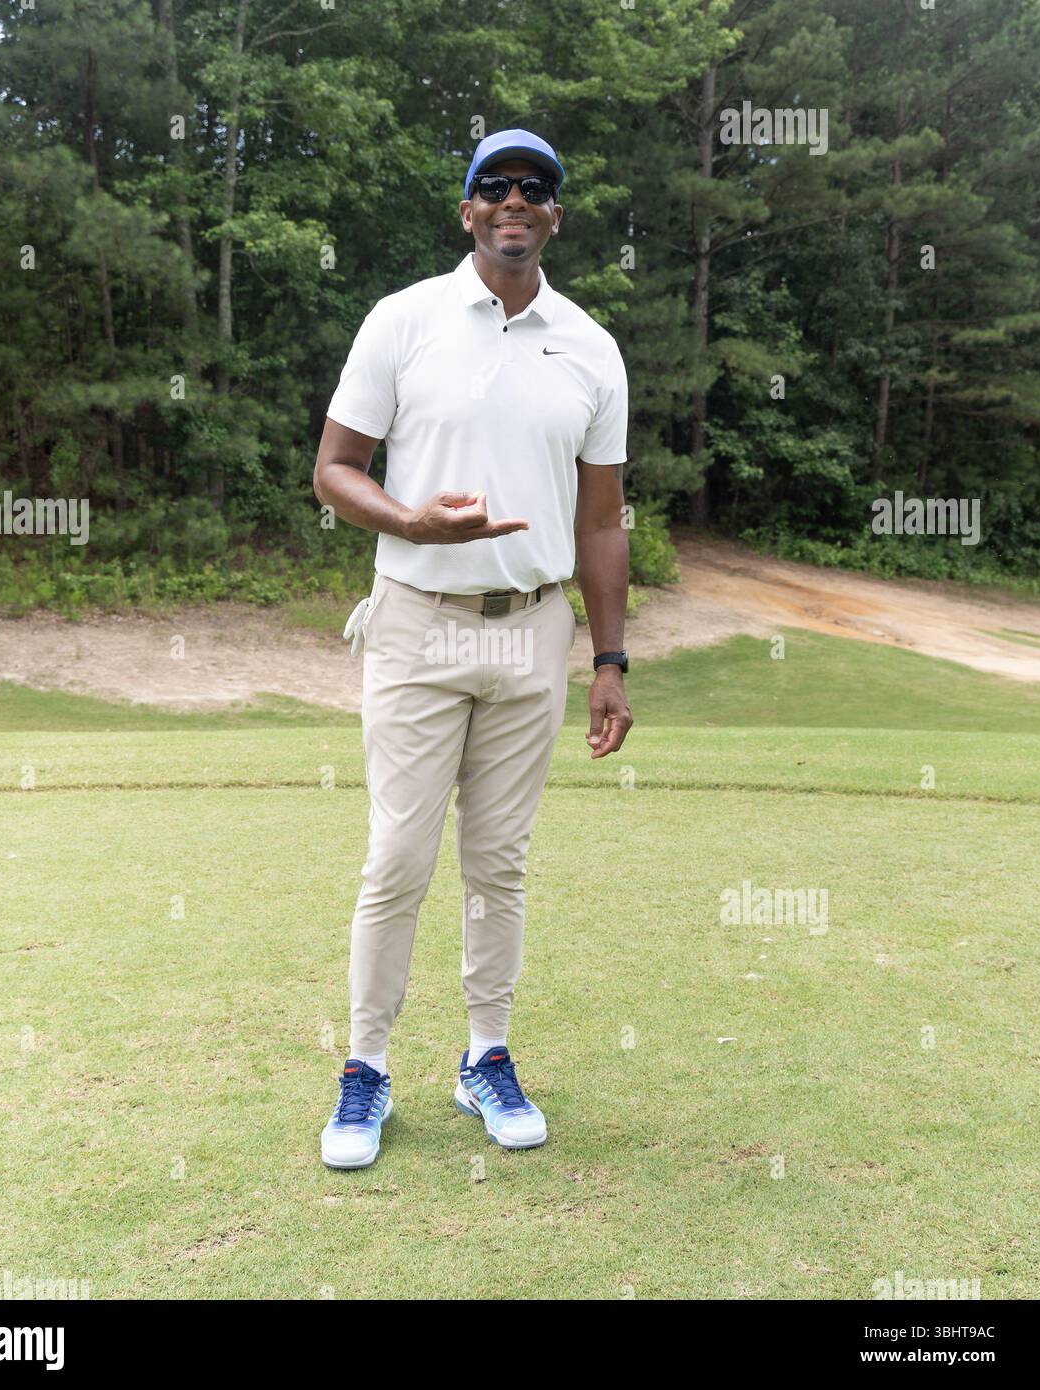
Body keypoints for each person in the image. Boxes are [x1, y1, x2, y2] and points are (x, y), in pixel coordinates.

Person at [313, 128, 633, 1168]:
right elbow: (335, 468)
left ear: (553, 214)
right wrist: (410, 521)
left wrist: (611, 660)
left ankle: (483, 1057)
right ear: (466, 211)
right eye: (493, 185)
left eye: (534, 187)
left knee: (499, 864)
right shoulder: (402, 321)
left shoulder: (589, 346)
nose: (513, 200)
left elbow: (600, 523)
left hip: (534, 632)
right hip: (413, 622)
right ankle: (365, 1070)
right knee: (397, 859)